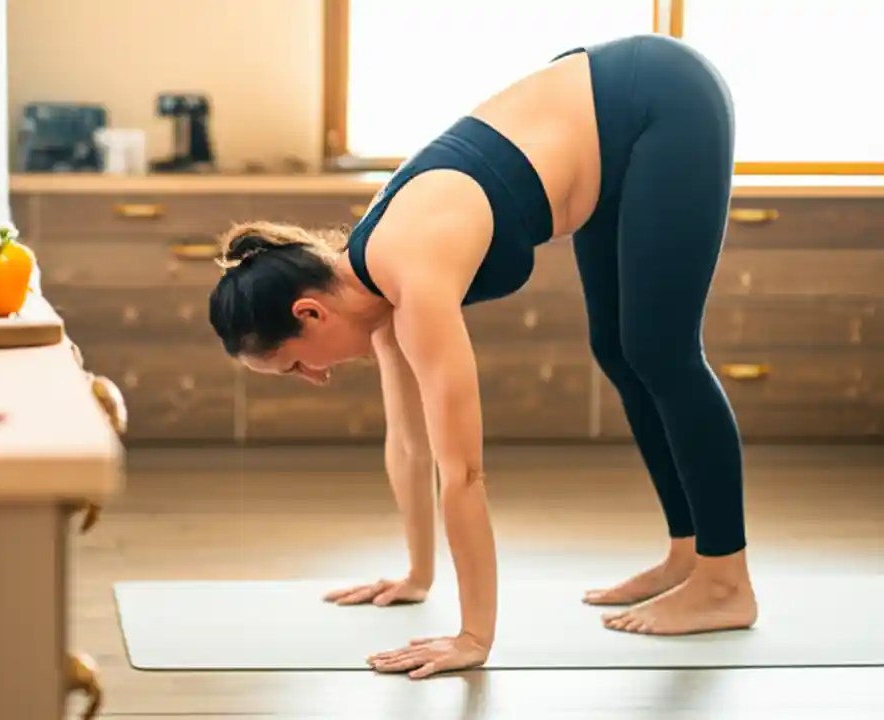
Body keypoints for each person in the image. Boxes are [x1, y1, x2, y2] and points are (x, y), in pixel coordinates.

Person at [207, 34, 758, 679]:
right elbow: (410, 446)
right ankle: (689, 553)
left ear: (309, 312)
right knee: (621, 348)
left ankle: (726, 582)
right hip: (611, 135)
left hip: (661, 99)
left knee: (663, 350)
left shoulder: (411, 274)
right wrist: (417, 574)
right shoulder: (369, 286)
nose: (317, 377)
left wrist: (473, 637)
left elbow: (462, 471)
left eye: (296, 364)